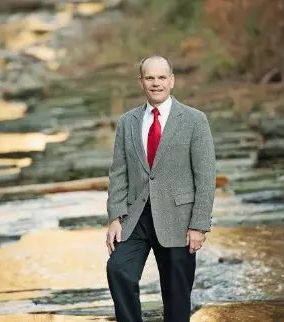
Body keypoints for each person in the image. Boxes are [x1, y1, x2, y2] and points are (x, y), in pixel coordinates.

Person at [106, 56, 216, 322]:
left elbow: (206, 176)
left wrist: (199, 225)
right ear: (141, 82)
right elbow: (118, 173)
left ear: (172, 80)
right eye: (150, 78)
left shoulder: (194, 120)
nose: (156, 83)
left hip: (179, 221)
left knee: (176, 295)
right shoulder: (127, 122)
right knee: (118, 269)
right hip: (136, 217)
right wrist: (115, 216)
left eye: (161, 78)